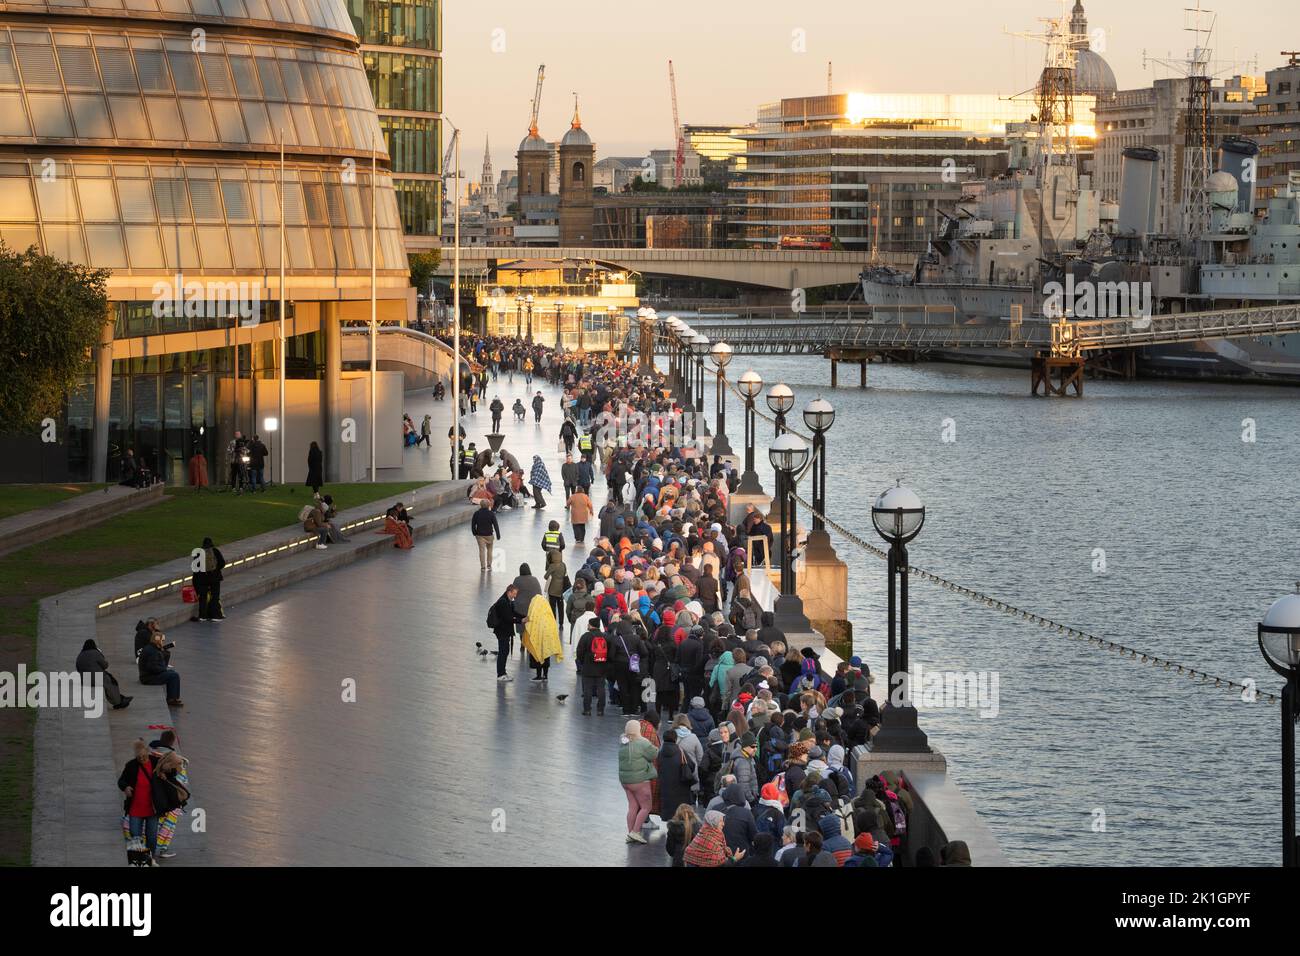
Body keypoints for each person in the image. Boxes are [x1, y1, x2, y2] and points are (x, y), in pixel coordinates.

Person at [118, 740, 160, 864]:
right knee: (135, 838)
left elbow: (171, 772)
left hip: (152, 809)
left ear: (148, 752)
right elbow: (121, 781)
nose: (142, 758)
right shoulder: (131, 765)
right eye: (139, 757)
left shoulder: (155, 762)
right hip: (135, 809)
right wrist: (125, 787)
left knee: (151, 837)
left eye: (144, 756)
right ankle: (139, 861)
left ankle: (150, 859)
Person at [618, 719, 659, 844]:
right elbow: (654, 755)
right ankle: (635, 832)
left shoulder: (623, 742)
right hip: (640, 780)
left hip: (625, 781)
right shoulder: (643, 742)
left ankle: (630, 832)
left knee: (633, 807)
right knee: (646, 807)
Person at [75, 639, 131, 710]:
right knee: (111, 682)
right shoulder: (95, 652)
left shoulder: (80, 655)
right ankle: (118, 702)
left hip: (85, 680)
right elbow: (105, 665)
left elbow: (78, 668)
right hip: (96, 678)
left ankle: (120, 698)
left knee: (108, 681)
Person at [521, 593, 562, 682]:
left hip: (537, 641)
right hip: (546, 642)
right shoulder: (549, 615)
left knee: (537, 655)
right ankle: (545, 676)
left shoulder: (535, 616)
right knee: (546, 656)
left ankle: (538, 676)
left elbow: (530, 626)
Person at [573, 617, 610, 715]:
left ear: (591, 625)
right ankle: (600, 710)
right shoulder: (605, 636)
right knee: (601, 689)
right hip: (601, 666)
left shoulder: (586, 636)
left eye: (588, 624)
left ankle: (587, 709)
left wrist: (582, 662)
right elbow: (609, 651)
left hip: (588, 667)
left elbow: (579, 651)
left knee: (587, 689)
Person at [137, 631, 182, 707]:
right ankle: (172, 699)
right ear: (158, 640)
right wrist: (164, 669)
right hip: (148, 678)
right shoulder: (152, 651)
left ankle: (174, 697)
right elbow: (152, 667)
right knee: (174, 676)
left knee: (173, 673)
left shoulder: (152, 648)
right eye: (162, 640)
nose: (163, 642)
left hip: (148, 675)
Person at [487, 584, 520, 682]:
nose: (515, 596)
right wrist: (521, 621)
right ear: (509, 592)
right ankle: (500, 674)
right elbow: (508, 618)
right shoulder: (503, 602)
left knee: (505, 651)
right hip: (502, 631)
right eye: (514, 594)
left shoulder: (508, 601)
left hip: (505, 631)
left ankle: (503, 673)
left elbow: (514, 613)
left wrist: (524, 617)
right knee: (503, 652)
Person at [191, 536, 226, 622]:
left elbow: (195, 567)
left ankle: (202, 616)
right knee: (215, 596)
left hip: (202, 579)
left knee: (203, 597)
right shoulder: (215, 551)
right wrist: (216, 570)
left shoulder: (198, 552)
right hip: (215, 578)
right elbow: (222, 563)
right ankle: (215, 616)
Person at [471, 499, 500, 570]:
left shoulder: (476, 513)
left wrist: (474, 533)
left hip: (480, 535)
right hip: (489, 535)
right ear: (488, 505)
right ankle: (489, 565)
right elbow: (496, 525)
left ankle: (483, 567)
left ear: (480, 505)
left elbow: (473, 524)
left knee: (481, 550)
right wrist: (498, 535)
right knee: (490, 550)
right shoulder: (491, 514)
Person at [544, 550, 567, 625]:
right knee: (561, 607)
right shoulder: (563, 565)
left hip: (552, 591)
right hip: (561, 590)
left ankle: (553, 621)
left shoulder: (552, 566)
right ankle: (561, 623)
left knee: (552, 607)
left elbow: (546, 576)